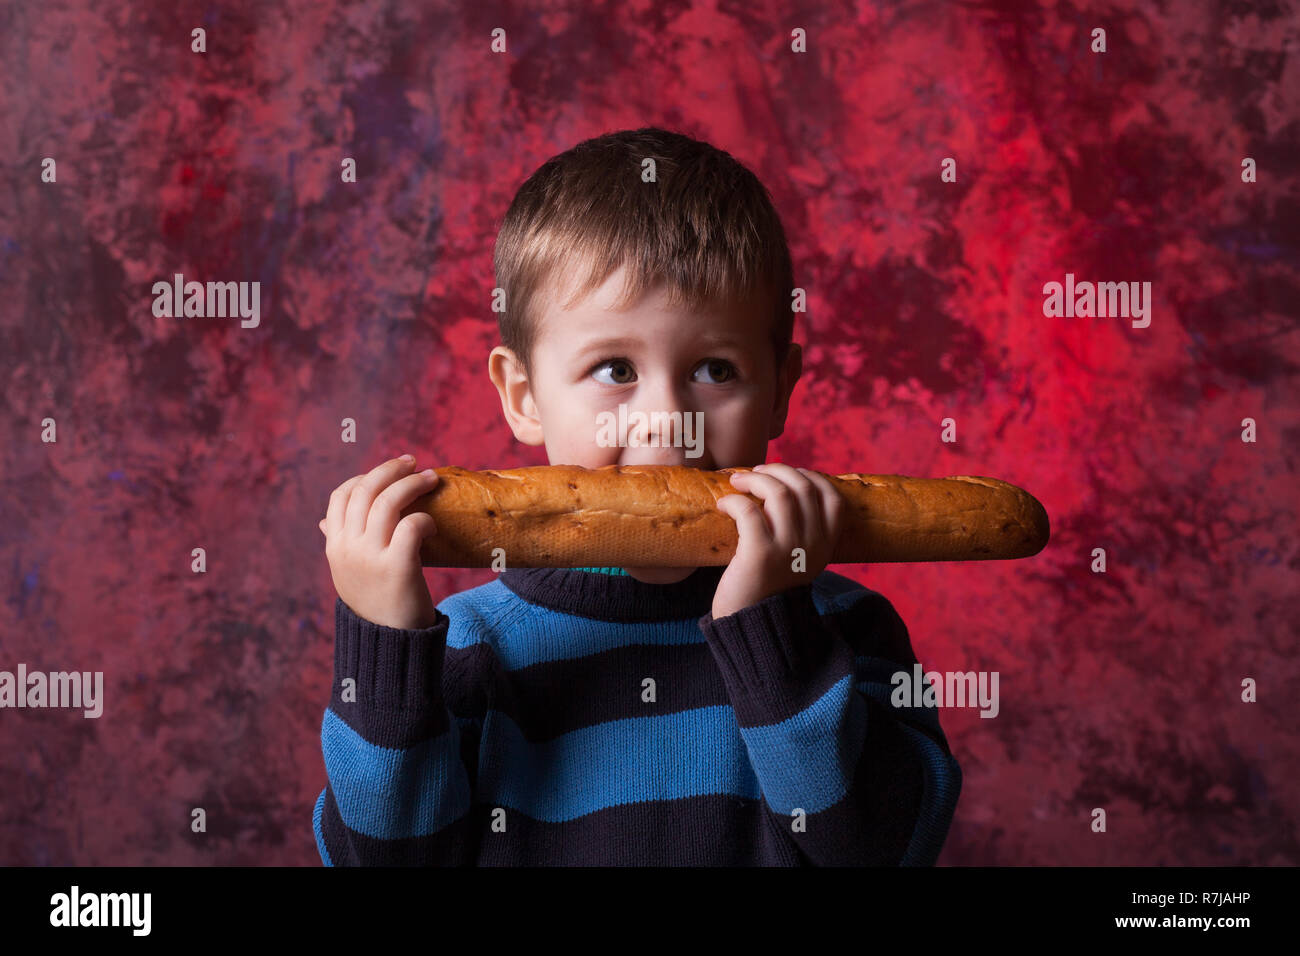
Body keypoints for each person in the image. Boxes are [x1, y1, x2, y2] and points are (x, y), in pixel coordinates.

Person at [313, 127, 961, 865]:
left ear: (781, 390)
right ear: (523, 396)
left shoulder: (848, 628)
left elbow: (886, 852)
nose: (667, 422)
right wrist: (385, 647)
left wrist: (776, 634)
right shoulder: (463, 649)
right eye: (615, 368)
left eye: (715, 369)